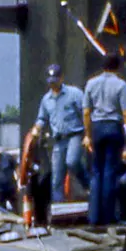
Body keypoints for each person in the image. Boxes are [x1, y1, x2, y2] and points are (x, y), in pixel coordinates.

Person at [81, 50, 126, 227]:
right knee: (110, 173)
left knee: (96, 172)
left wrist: (88, 135)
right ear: (118, 67)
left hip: (97, 128)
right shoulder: (121, 85)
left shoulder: (91, 84)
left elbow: (86, 112)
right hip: (114, 128)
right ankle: (108, 217)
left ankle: (93, 217)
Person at [31, 63, 86, 202]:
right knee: (56, 177)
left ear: (61, 78)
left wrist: (88, 135)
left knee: (72, 162)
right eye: (50, 82)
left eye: (55, 80)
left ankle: (88, 183)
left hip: (74, 135)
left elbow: (85, 113)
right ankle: (58, 207)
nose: (53, 84)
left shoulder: (74, 94)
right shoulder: (46, 100)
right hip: (58, 140)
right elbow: (42, 118)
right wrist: (37, 129)